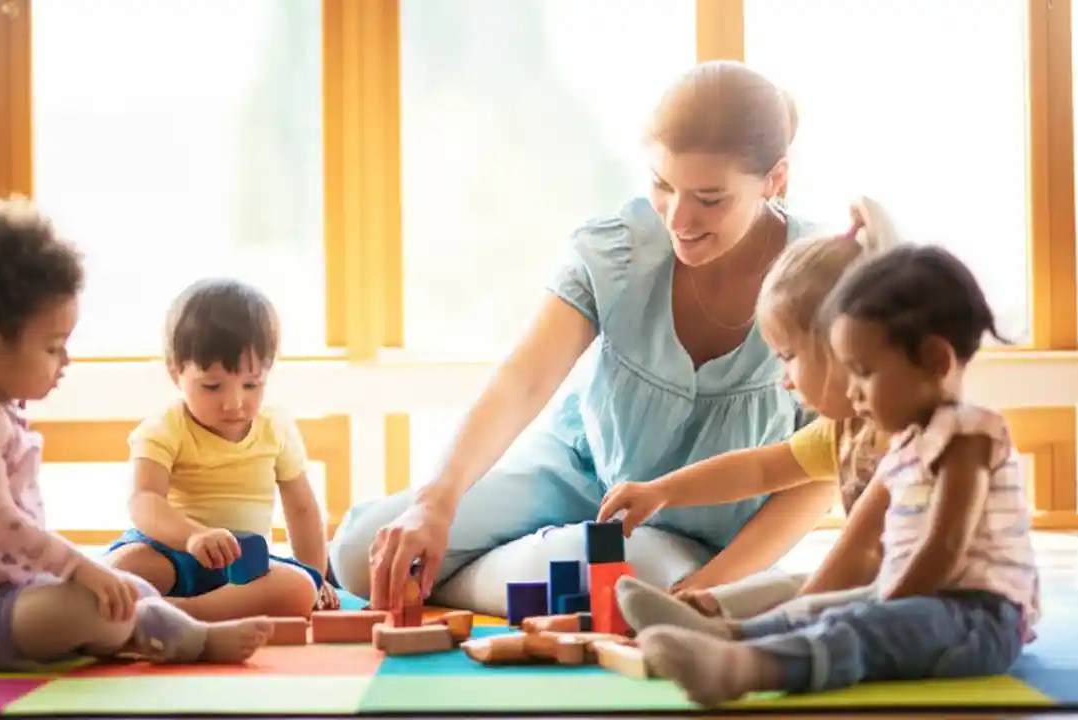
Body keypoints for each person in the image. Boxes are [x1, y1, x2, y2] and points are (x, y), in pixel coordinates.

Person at [330, 60, 846, 617]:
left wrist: (714, 583)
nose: (679, 217)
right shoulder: (619, 249)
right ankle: (535, 581)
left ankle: (529, 577)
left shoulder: (823, 278)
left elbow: (819, 470)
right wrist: (436, 503)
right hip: (579, 475)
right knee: (368, 552)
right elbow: (524, 381)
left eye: (710, 197)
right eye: (662, 184)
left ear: (775, 179)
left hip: (707, 536)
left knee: (636, 581)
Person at [637, 244, 1040, 706]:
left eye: (863, 374)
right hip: (917, 598)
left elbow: (945, 545)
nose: (853, 392)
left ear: (934, 361)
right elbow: (860, 546)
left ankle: (745, 667)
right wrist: (861, 600)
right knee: (821, 605)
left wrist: (884, 604)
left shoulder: (970, 435)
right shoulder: (904, 448)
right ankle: (726, 634)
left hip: (980, 619)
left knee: (853, 628)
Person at [0, 199, 272, 672]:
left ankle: (183, 635)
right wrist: (80, 568)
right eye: (53, 347)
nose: (66, 361)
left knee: (129, 592)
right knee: (100, 605)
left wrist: (84, 575)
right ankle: (184, 639)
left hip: (12, 596)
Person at [602, 197, 900, 627]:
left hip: (937, 603)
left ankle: (737, 644)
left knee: (806, 604)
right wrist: (662, 491)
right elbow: (760, 470)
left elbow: (857, 553)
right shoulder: (844, 432)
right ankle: (699, 613)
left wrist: (793, 613)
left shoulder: (907, 442)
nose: (786, 380)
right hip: (879, 587)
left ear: (843, 348)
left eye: (789, 356)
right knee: (779, 590)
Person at [104, 278, 339, 622]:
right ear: (176, 374)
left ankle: (182, 613)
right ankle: (166, 609)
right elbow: (144, 501)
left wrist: (316, 577)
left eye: (252, 384)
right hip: (174, 553)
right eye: (212, 386)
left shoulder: (276, 427)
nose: (234, 403)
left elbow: (302, 508)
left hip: (245, 567)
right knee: (121, 567)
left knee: (298, 587)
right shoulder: (165, 426)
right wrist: (193, 536)